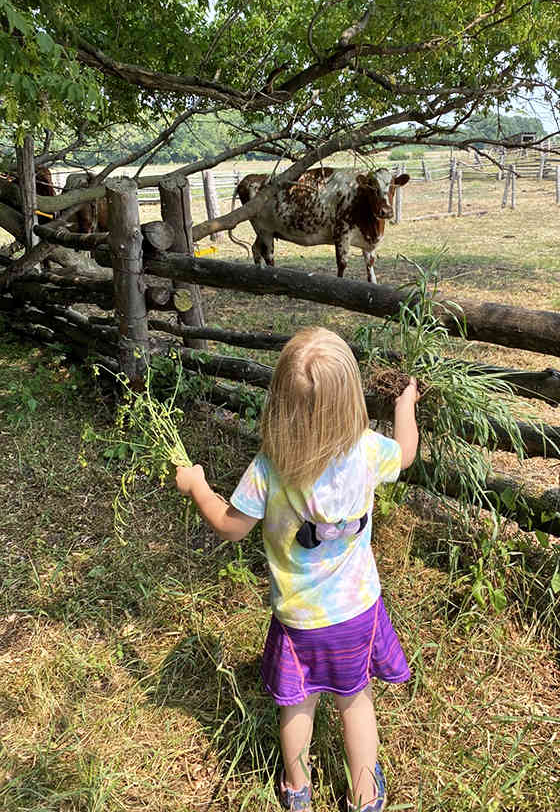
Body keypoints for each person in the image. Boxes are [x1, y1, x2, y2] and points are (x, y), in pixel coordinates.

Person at [176, 326, 419, 812]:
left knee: (297, 704)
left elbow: (230, 526)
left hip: (300, 620)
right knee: (356, 702)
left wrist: (197, 486)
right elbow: (408, 454)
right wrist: (405, 404)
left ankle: (296, 789)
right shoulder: (369, 450)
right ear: (350, 399)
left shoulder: (272, 465)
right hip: (357, 612)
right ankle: (366, 796)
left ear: (281, 401)